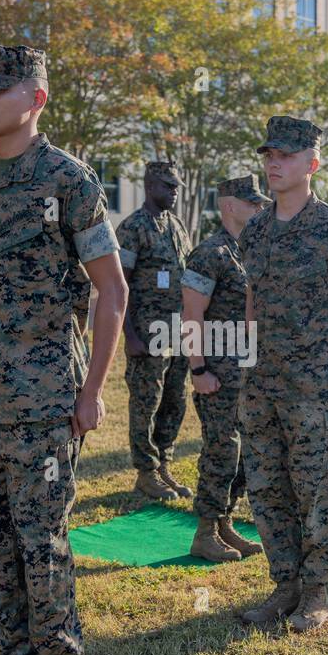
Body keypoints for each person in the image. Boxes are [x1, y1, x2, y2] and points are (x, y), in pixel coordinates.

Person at [0, 44, 128, 655]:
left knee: (39, 538)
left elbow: (112, 291)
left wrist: (94, 390)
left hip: (48, 396)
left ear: (36, 98)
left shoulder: (68, 179)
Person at [238, 116, 328, 633]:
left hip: (314, 384)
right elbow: (252, 298)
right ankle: (284, 585)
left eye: (286, 156)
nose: (274, 163)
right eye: (269, 154)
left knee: (315, 487)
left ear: (312, 164)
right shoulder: (256, 229)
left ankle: (317, 592)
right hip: (261, 383)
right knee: (266, 486)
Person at [180, 174, 269, 562]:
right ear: (230, 205)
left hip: (246, 373)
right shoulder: (209, 253)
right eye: (252, 203)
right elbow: (191, 317)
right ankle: (204, 532)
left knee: (245, 454)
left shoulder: (247, 250)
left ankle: (225, 523)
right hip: (216, 374)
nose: (259, 208)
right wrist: (199, 371)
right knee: (221, 451)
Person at [116, 161, 193, 501]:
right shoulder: (132, 228)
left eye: (176, 187)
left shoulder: (177, 226)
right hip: (147, 337)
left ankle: (163, 465)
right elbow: (119, 287)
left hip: (176, 334)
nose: (174, 192)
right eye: (168, 186)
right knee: (146, 403)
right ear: (150, 186)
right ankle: (145, 473)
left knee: (174, 400)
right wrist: (130, 336)